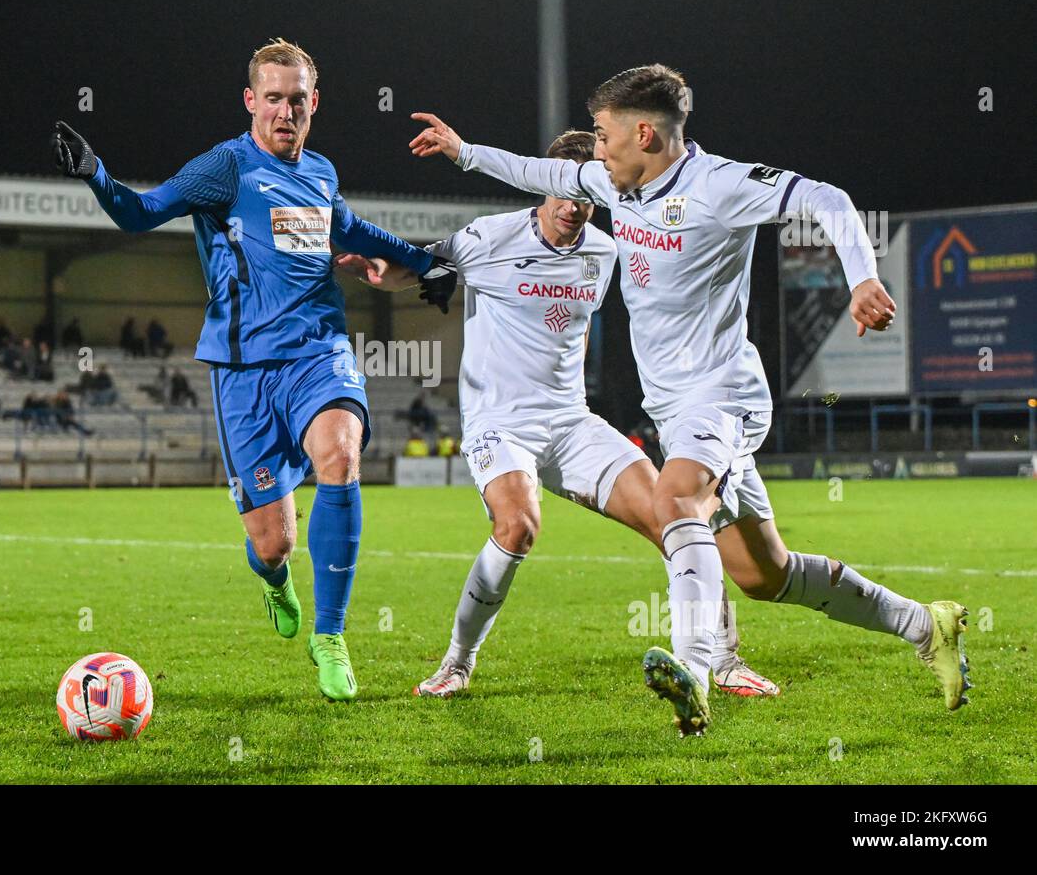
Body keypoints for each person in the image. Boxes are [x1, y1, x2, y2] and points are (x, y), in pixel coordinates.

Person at [408, 65, 969, 735]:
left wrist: (863, 279)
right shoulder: (616, 185)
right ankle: (923, 624)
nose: (597, 145)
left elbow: (827, 198)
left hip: (723, 394)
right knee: (768, 575)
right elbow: (542, 174)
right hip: (677, 413)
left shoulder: (720, 186)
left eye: (604, 131)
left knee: (673, 500)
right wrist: (465, 153)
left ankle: (694, 678)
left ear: (644, 131)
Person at [51, 37, 454, 700]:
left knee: (340, 454)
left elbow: (352, 232)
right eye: (273, 99)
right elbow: (140, 212)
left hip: (318, 352)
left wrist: (425, 264)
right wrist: (95, 171)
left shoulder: (320, 173)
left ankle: (331, 634)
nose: (284, 111)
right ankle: (275, 580)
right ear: (250, 101)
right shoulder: (226, 168)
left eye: (297, 100)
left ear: (314, 103)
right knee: (273, 543)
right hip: (242, 370)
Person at [341, 131, 774, 703]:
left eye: (584, 194)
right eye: (562, 192)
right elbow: (426, 269)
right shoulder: (489, 238)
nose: (573, 206)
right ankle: (456, 663)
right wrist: (383, 272)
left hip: (572, 423)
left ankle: (722, 660)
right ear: (543, 184)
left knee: (675, 511)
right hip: (501, 422)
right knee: (518, 525)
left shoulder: (604, 252)